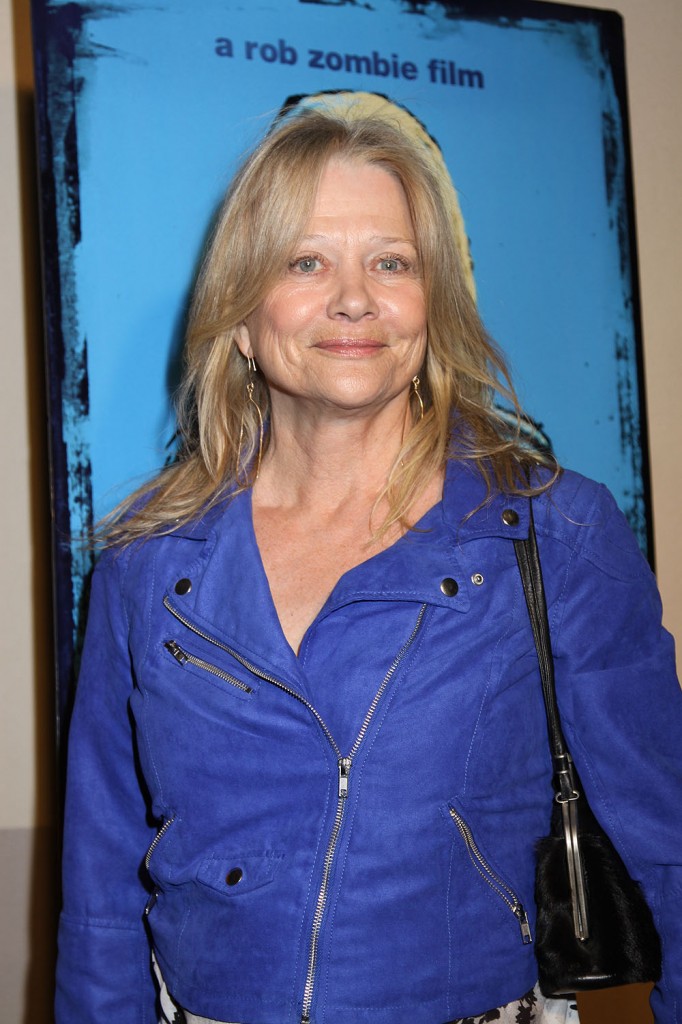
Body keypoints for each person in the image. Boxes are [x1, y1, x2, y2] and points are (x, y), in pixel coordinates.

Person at [55, 95, 682, 1024]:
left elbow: (671, 850)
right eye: (306, 262)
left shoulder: (557, 533)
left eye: (392, 263)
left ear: (435, 305)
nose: (355, 297)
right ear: (238, 314)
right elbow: (101, 890)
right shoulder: (144, 564)